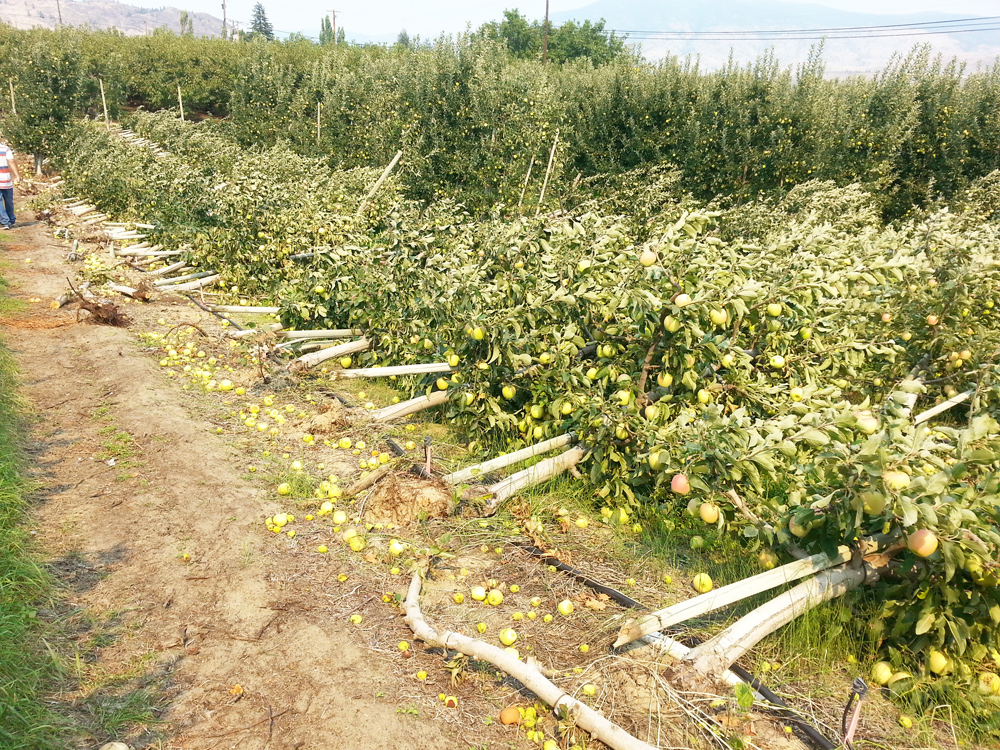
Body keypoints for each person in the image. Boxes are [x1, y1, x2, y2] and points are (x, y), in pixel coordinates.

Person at [0, 140, 20, 230]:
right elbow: (11, 161)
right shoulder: (6, 149)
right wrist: (17, 175)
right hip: (6, 179)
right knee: (9, 201)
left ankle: (5, 221)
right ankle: (11, 219)